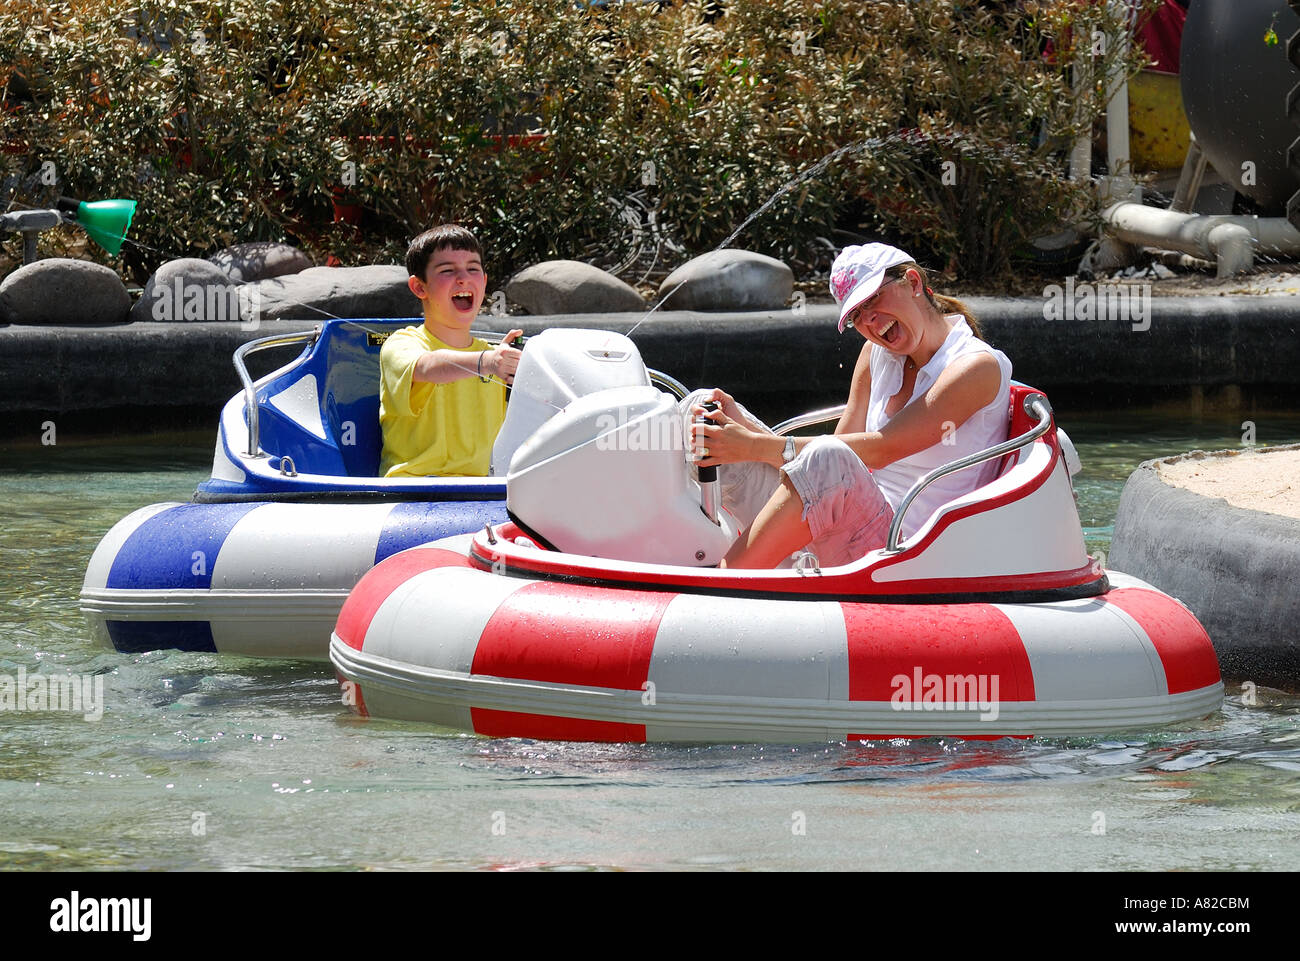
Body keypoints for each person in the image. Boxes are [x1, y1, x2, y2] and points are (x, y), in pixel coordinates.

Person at [690, 242, 1013, 569]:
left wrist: (754, 445)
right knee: (702, 409)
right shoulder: (876, 355)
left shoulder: (975, 367)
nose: (870, 320)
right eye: (857, 315)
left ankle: (719, 586)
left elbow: (881, 449)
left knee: (826, 458)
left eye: (873, 298)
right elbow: (842, 444)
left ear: (914, 282)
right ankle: (690, 553)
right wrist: (743, 434)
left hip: (908, 551)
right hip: (847, 528)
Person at [379, 224, 523, 477]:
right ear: (419, 287)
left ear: (484, 281)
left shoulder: (494, 357)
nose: (463, 278)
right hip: (412, 489)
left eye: (473, 269)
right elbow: (427, 366)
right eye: (447, 270)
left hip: (479, 492)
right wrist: (489, 362)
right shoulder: (400, 344)